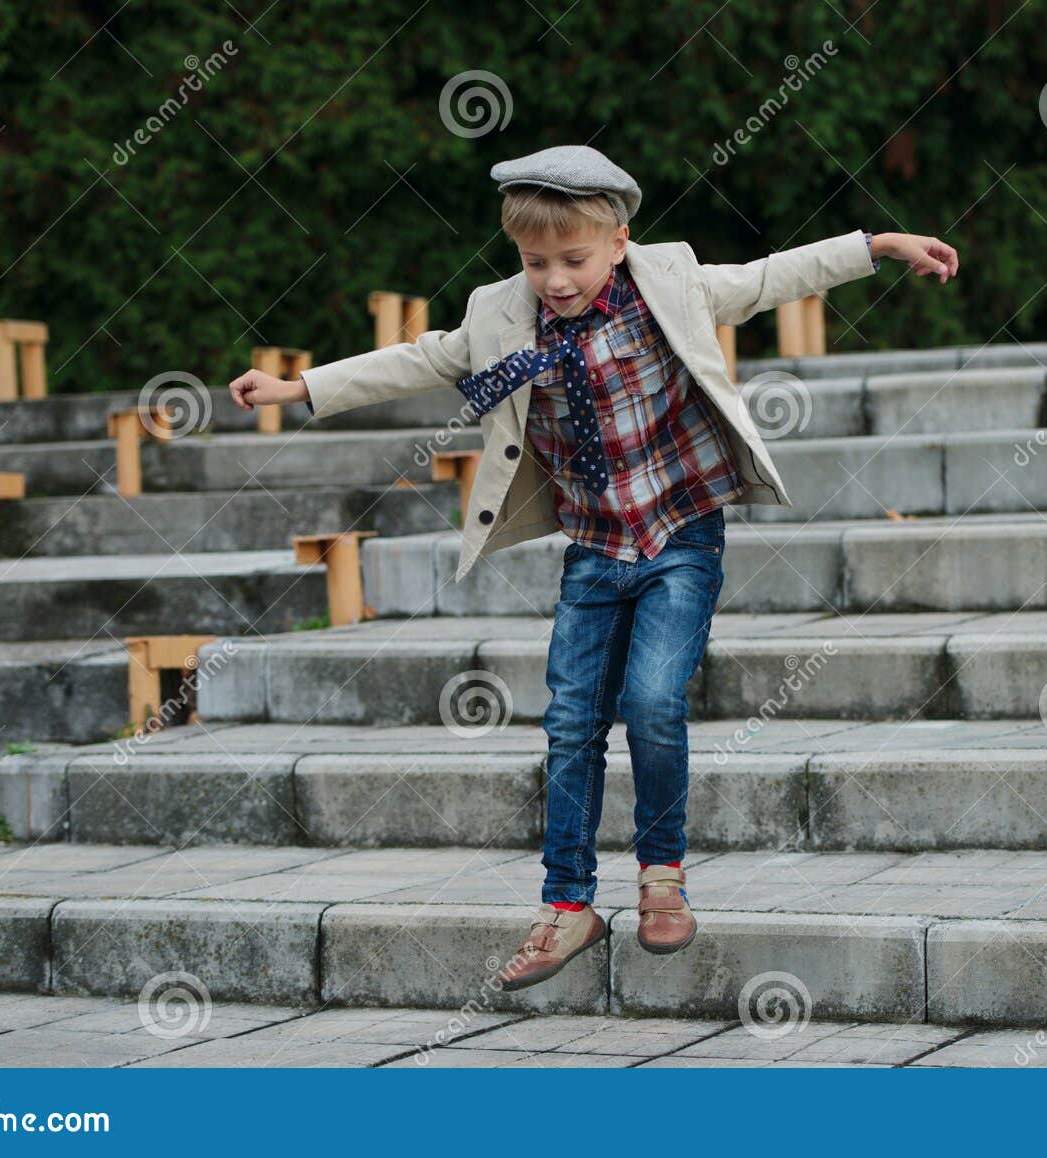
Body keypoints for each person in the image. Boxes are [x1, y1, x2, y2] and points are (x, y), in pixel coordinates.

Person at [229, 143, 958, 991]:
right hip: (594, 552)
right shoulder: (503, 314)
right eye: (536, 262)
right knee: (571, 724)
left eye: (573, 259)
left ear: (618, 240)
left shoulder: (671, 281)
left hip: (681, 536)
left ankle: (661, 879)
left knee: (652, 701)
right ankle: (567, 906)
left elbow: (768, 277)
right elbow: (422, 358)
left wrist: (878, 246)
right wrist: (300, 390)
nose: (555, 279)